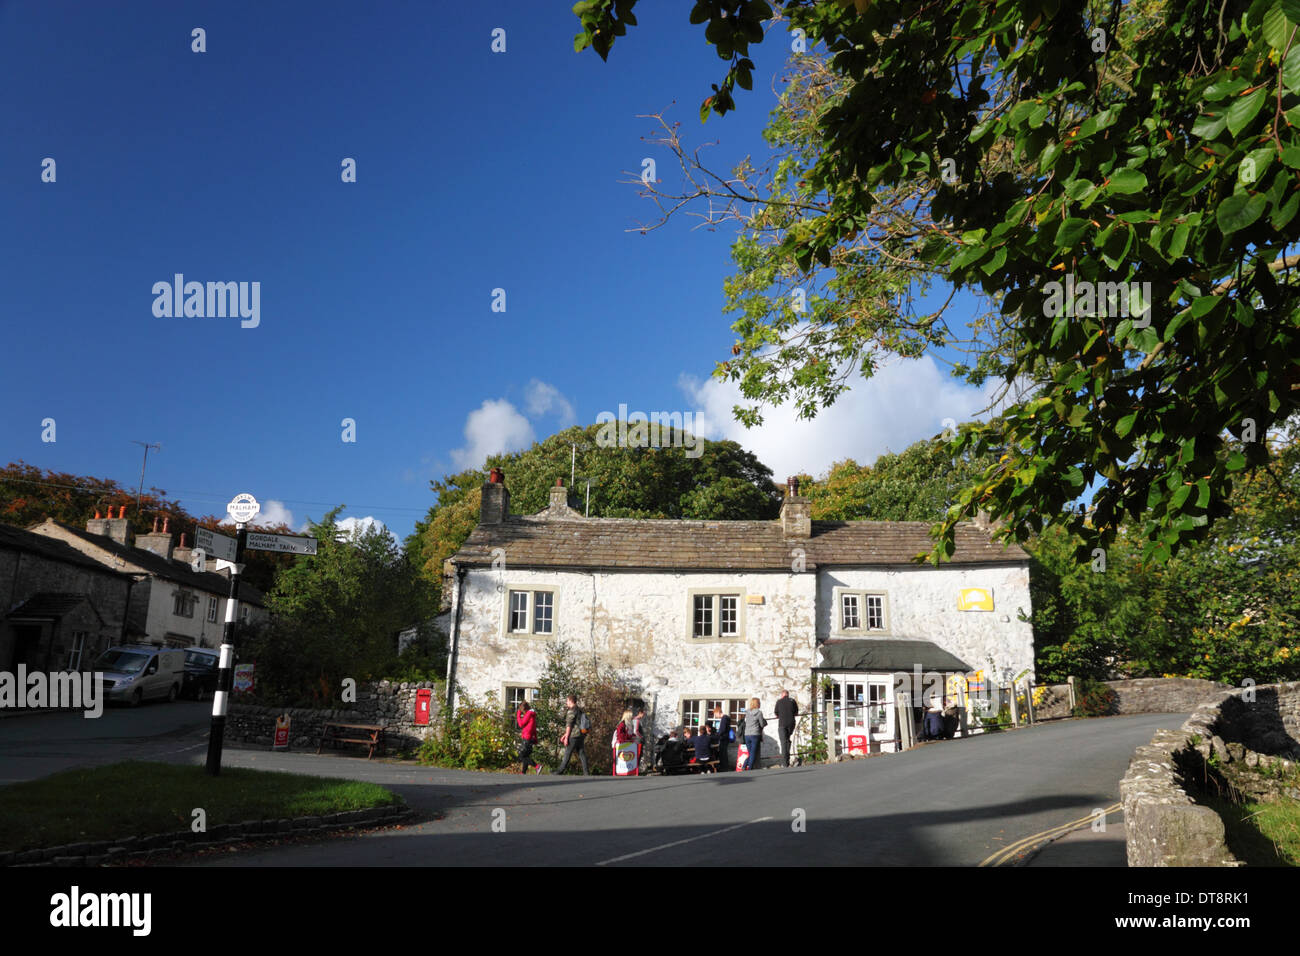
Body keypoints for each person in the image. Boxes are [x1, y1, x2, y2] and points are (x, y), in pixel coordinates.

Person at [555, 694, 589, 775]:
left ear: (570, 701)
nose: (566, 702)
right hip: (581, 734)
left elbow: (569, 725)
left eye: (567, 701)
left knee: (567, 753)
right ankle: (586, 773)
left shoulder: (571, 711)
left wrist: (566, 737)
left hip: (573, 735)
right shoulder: (579, 710)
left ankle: (559, 771)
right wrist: (565, 735)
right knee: (581, 753)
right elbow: (576, 724)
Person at [516, 697, 541, 774]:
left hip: (527, 737)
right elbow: (534, 728)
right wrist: (536, 738)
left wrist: (518, 714)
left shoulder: (529, 714)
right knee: (526, 755)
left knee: (521, 756)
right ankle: (523, 772)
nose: (522, 712)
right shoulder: (532, 715)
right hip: (530, 737)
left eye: (521, 710)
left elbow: (520, 724)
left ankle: (537, 766)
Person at [774, 689, 799, 767]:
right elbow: (796, 712)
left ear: (782, 695)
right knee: (787, 741)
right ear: (788, 694)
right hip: (791, 723)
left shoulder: (779, 701)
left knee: (783, 743)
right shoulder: (793, 701)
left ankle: (784, 763)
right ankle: (787, 760)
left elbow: (776, 713)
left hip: (782, 724)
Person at [742, 697, 767, 770]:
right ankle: (749, 768)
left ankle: (744, 766)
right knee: (753, 753)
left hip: (747, 734)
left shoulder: (747, 712)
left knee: (750, 752)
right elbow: (762, 724)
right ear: (757, 704)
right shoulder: (759, 712)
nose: (760, 704)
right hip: (755, 734)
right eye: (759, 703)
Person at [612, 708, 636, 775]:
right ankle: (619, 771)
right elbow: (620, 735)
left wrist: (631, 736)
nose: (632, 717)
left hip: (624, 743)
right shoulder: (622, 724)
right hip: (621, 744)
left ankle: (627, 771)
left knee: (625, 758)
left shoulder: (627, 724)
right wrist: (629, 737)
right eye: (631, 716)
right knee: (621, 759)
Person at [713, 703, 732, 771]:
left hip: (723, 738)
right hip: (725, 737)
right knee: (724, 752)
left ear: (718, 712)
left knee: (722, 753)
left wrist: (717, 735)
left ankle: (724, 767)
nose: (715, 716)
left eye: (715, 714)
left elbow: (722, 729)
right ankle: (725, 767)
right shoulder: (726, 718)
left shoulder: (724, 718)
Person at [633, 705, 650, 772]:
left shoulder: (637, 720)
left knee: (639, 754)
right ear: (640, 713)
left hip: (638, 740)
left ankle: (636, 769)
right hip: (638, 740)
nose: (643, 715)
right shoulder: (636, 720)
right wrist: (641, 737)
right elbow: (636, 731)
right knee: (638, 754)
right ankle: (635, 769)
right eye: (643, 714)